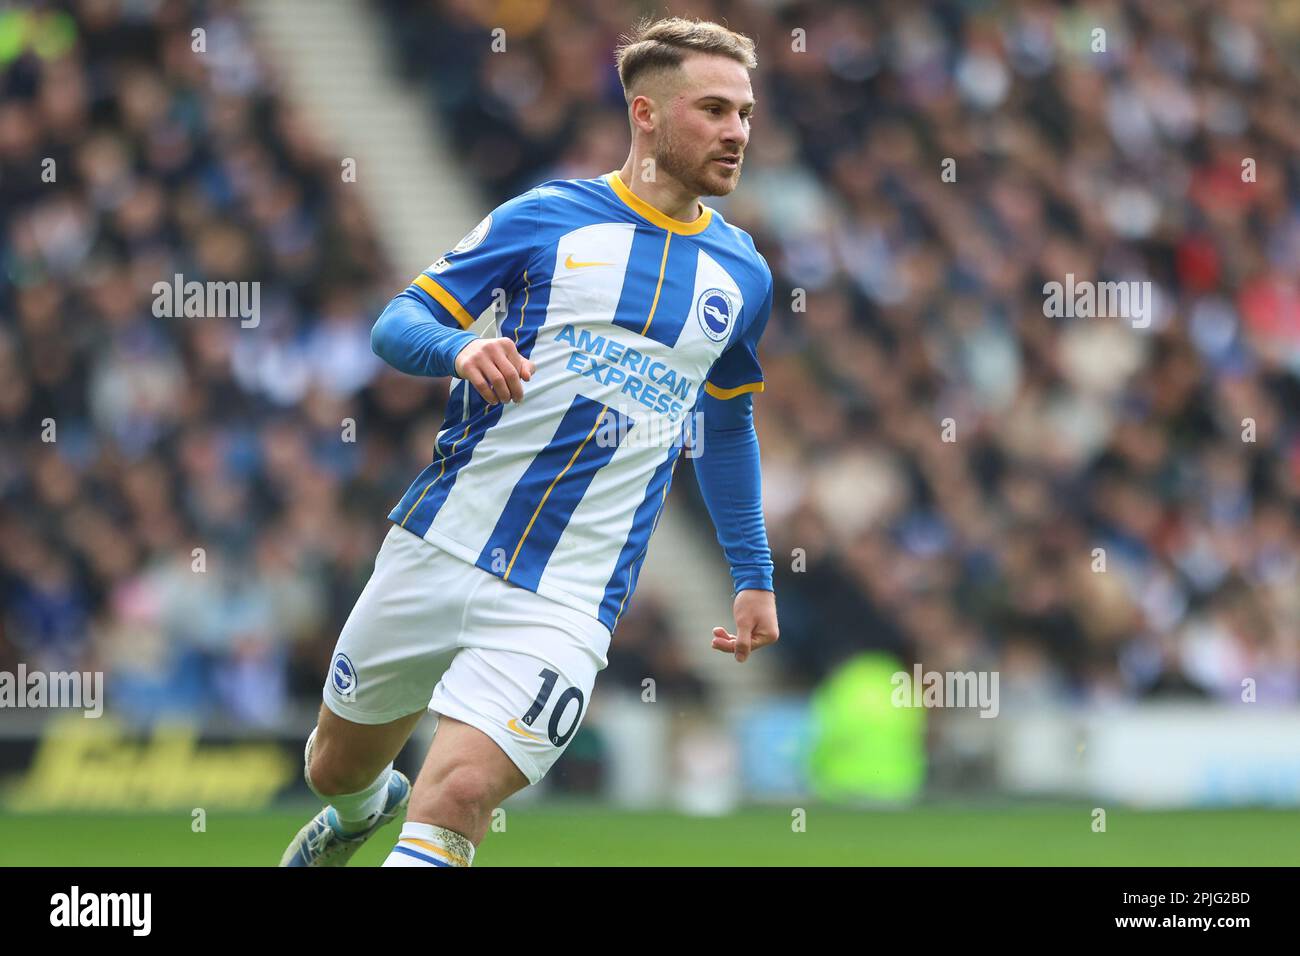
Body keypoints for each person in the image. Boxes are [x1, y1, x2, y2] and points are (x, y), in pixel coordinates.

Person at [280, 16, 779, 868]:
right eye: (713, 110)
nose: (736, 132)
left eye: (744, 112)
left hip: (569, 595)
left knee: (460, 797)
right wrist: (460, 347)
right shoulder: (547, 219)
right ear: (646, 115)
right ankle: (361, 811)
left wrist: (754, 573)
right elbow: (399, 322)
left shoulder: (745, 275)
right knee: (334, 767)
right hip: (440, 542)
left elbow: (726, 423)